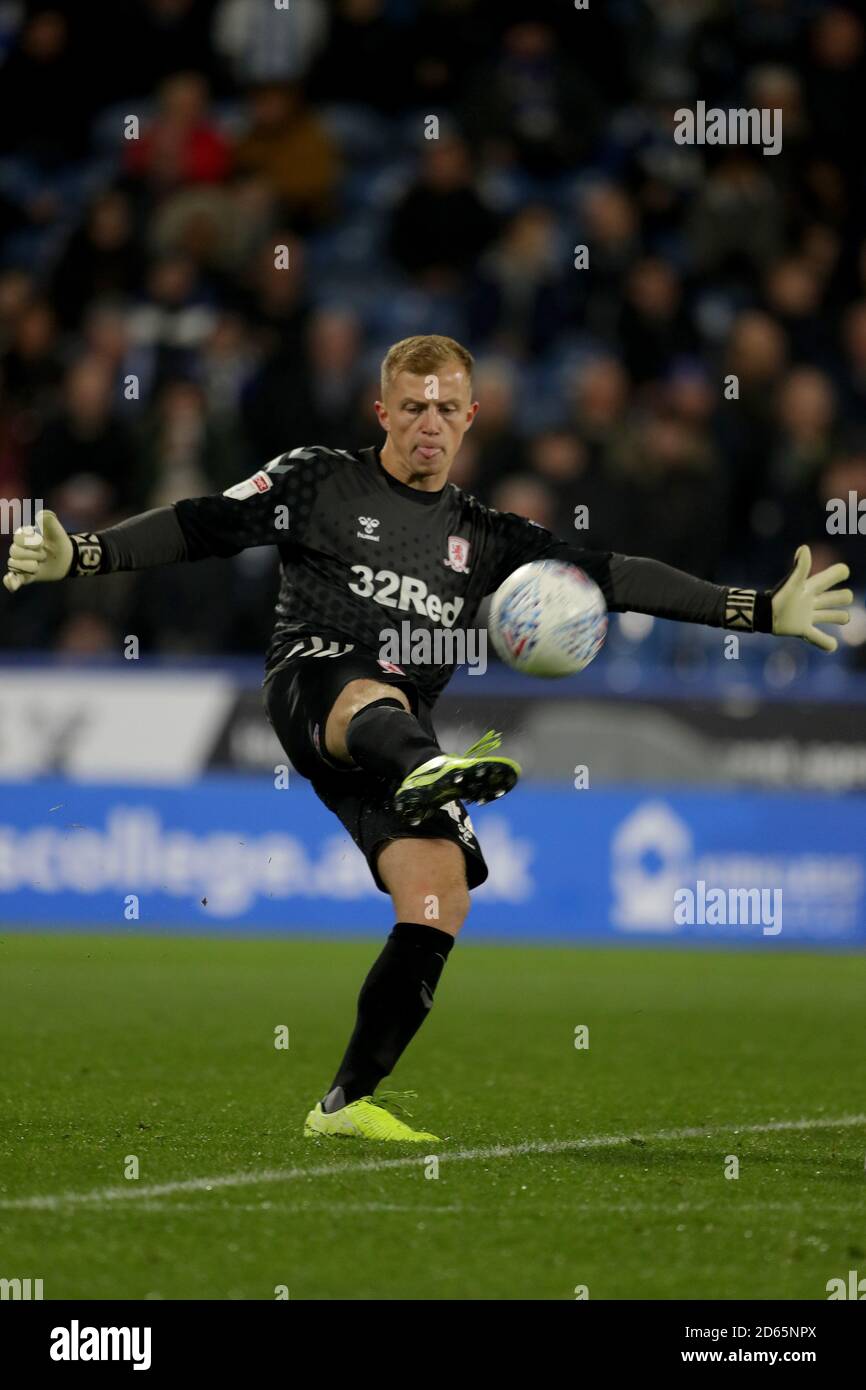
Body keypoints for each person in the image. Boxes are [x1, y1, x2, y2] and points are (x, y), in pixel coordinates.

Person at [4, 335, 853, 1142]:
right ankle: (426, 767)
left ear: (472, 415)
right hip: (314, 684)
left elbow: (614, 577)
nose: (429, 424)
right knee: (371, 693)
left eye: (447, 408)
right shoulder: (318, 481)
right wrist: (82, 556)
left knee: (440, 898)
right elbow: (197, 524)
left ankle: (345, 1102)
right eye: (412, 407)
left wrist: (758, 611)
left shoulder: (486, 537)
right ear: (381, 411)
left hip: (399, 734)